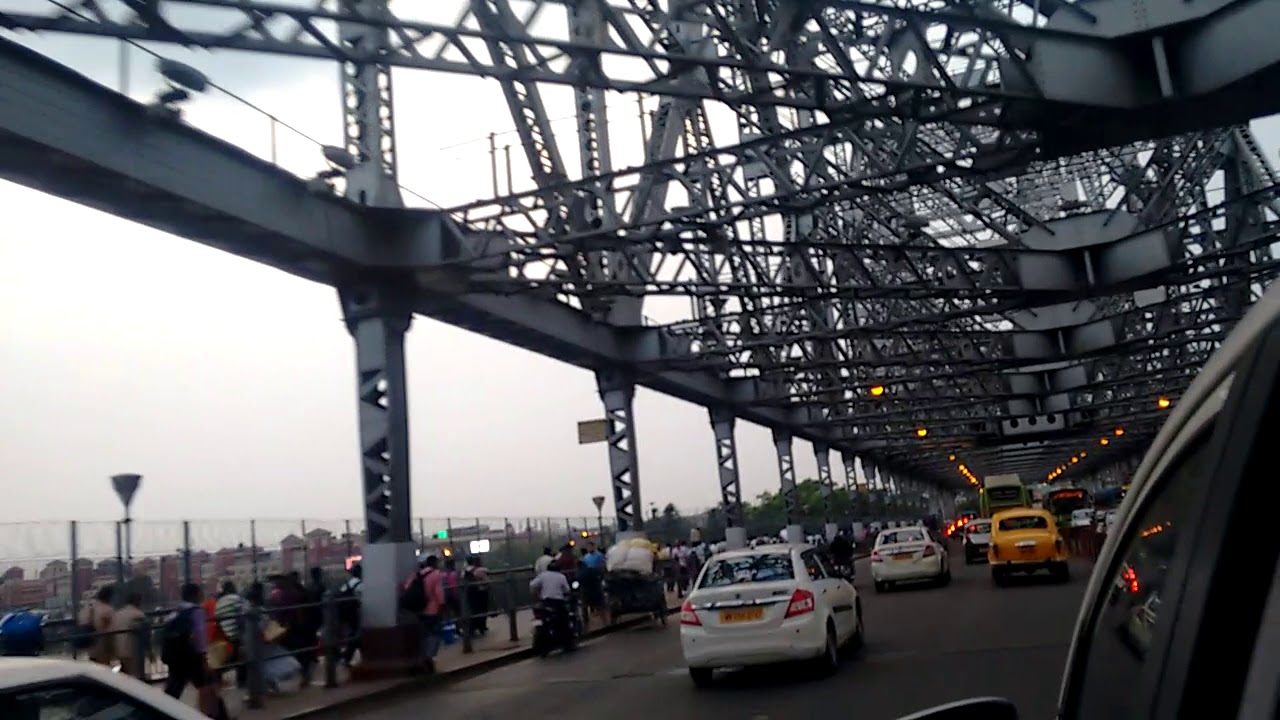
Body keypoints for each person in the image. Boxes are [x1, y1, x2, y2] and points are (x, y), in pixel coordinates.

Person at [162, 583, 216, 716]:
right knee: (206, 685)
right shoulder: (197, 611)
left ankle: (162, 711)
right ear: (196, 595)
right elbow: (200, 636)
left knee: (174, 688)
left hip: (175, 656)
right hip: (192, 656)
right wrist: (204, 659)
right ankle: (207, 715)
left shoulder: (176, 611)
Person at [403, 555, 446, 672]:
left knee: (424, 635)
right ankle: (429, 657)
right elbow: (440, 595)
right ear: (434, 563)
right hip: (432, 610)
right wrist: (442, 608)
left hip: (418, 610)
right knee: (434, 634)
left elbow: (406, 587)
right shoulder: (436, 575)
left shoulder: (417, 575)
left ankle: (422, 657)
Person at [529, 560, 574, 649]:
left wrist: (536, 594)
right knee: (564, 621)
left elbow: (532, 585)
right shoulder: (561, 577)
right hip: (557, 602)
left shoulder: (543, 575)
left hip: (545, 602)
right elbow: (567, 590)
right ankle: (568, 643)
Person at [111, 593, 147, 678]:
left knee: (124, 673)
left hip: (118, 649)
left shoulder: (117, 614)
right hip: (133, 650)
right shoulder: (138, 614)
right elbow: (144, 634)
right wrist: (149, 650)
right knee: (135, 675)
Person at [77, 586, 115, 665]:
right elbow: (111, 630)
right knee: (104, 669)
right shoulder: (107, 610)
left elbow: (80, 622)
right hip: (102, 646)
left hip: (90, 645)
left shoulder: (87, 608)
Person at [337, 563, 362, 666]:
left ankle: (346, 656)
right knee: (356, 635)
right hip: (356, 614)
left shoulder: (347, 584)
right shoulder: (361, 585)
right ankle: (346, 657)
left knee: (353, 635)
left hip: (346, 614)